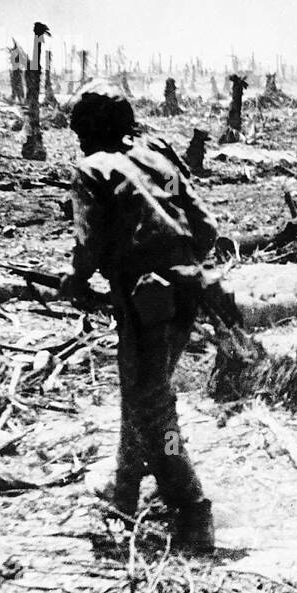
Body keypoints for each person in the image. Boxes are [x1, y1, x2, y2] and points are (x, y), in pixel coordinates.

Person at [62, 92, 221, 553]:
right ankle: (125, 494)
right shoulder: (160, 161)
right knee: (141, 397)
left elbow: (88, 244)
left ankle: (191, 507)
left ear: (88, 129)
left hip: (143, 302)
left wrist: (76, 279)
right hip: (187, 293)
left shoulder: (94, 170)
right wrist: (177, 266)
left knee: (153, 412)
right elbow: (206, 227)